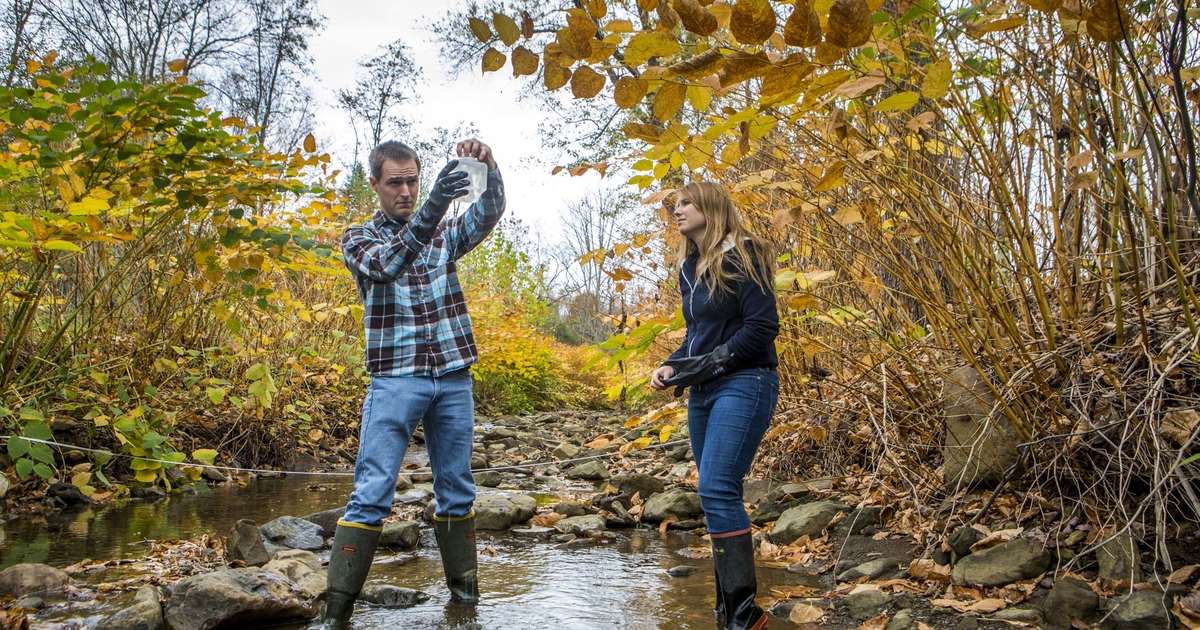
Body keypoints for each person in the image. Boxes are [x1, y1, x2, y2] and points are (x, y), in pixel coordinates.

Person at [322, 139, 505, 629]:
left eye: (412, 180)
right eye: (395, 182)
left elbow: (488, 213)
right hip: (395, 380)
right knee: (373, 490)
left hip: (452, 377)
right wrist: (434, 205)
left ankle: (464, 609)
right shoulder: (358, 239)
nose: (405, 190)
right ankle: (334, 616)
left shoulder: (446, 234)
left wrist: (489, 165)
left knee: (457, 490)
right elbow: (390, 264)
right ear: (376, 184)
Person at [650, 181, 779, 630]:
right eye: (675, 205)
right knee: (717, 493)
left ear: (711, 207)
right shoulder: (690, 268)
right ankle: (730, 613)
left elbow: (763, 327)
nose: (677, 211)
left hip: (746, 381)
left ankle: (744, 617)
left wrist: (713, 362)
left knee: (717, 489)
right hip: (704, 391)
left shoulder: (747, 253)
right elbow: (698, 334)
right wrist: (672, 365)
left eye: (686, 203)